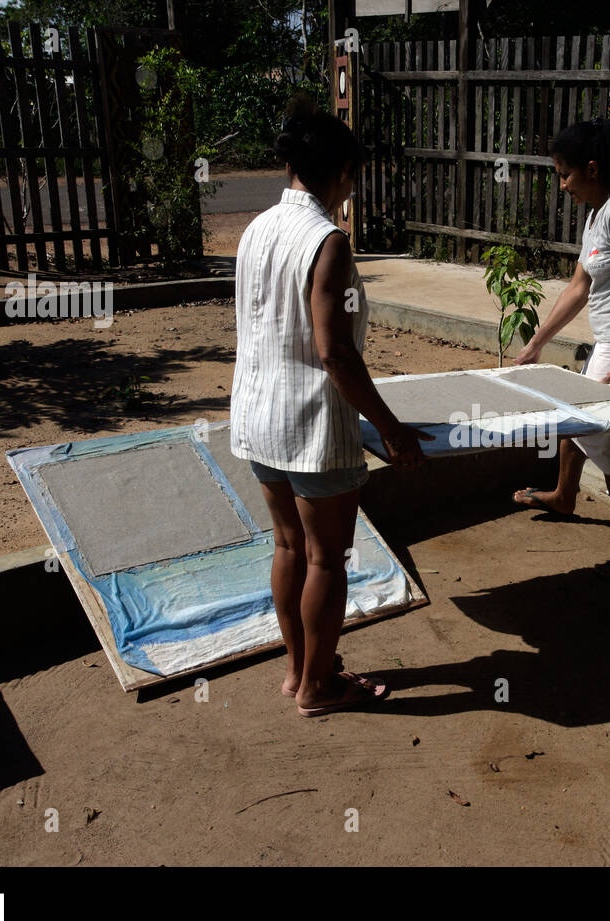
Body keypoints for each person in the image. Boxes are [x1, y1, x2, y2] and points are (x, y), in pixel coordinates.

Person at [231, 97, 430, 717]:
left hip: (258, 416)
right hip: (312, 427)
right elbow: (335, 354)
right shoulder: (328, 242)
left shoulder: (256, 228)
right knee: (326, 558)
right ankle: (319, 687)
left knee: (289, 548)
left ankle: (300, 671)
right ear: (343, 171)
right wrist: (392, 430)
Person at [511, 118, 610, 582]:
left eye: (565, 174)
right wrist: (536, 343)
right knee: (576, 416)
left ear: (593, 169)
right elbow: (579, 287)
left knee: (608, 443)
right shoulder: (599, 214)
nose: (562, 185)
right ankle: (564, 496)